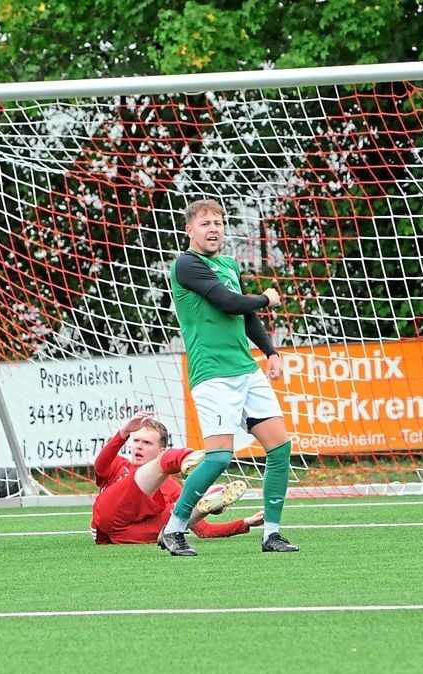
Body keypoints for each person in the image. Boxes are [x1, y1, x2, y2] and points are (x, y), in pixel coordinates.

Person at [158, 198, 297, 556]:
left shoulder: (228, 264)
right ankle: (173, 529)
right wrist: (266, 298)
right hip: (213, 375)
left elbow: (245, 316)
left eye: (218, 222)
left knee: (280, 448)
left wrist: (271, 352)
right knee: (219, 458)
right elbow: (228, 302)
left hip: (247, 372)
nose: (214, 228)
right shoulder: (187, 265)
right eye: (205, 223)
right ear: (189, 230)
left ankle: (272, 533)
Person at [91, 411, 263, 545]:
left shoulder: (171, 487)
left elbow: (204, 531)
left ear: (161, 450)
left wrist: (245, 523)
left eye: (147, 443)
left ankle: (200, 505)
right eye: (137, 441)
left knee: (173, 520)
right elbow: (100, 465)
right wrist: (125, 431)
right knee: (139, 482)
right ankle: (182, 457)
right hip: (108, 516)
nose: (139, 446)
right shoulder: (119, 465)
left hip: (126, 535)